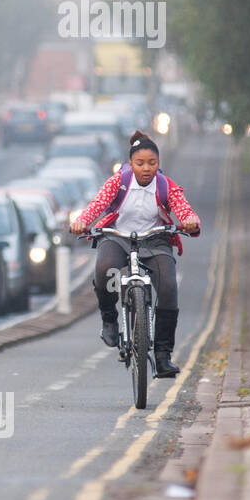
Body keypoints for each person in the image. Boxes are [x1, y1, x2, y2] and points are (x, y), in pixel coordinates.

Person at [70, 129, 201, 378]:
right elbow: (96, 205)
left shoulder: (165, 185)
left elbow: (182, 208)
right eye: (140, 163)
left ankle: (163, 356)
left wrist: (190, 220)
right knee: (104, 269)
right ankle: (109, 320)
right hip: (117, 237)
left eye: (152, 163)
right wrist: (81, 221)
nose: (146, 168)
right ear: (130, 164)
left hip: (154, 239)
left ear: (158, 164)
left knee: (168, 288)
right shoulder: (117, 182)